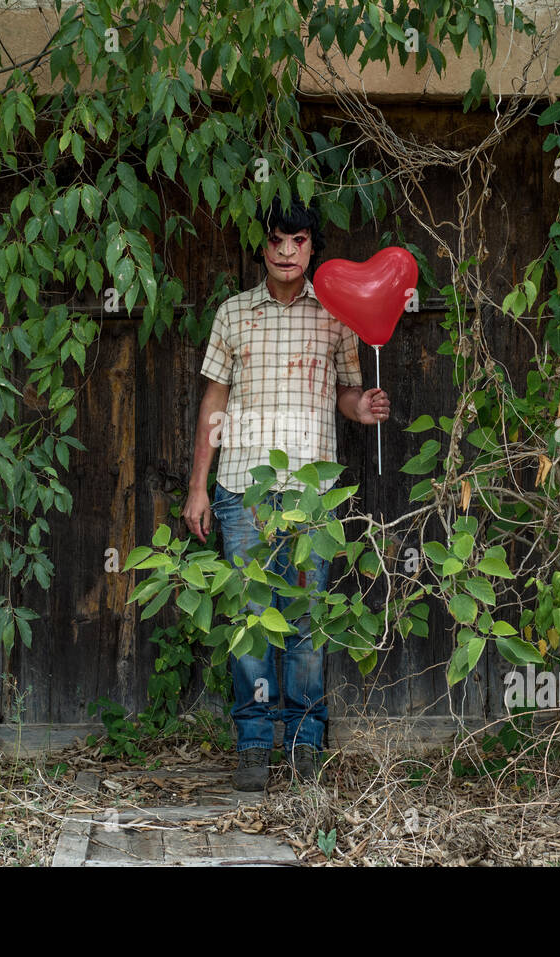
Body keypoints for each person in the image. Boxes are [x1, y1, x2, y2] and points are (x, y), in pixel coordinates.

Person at [184, 199, 390, 790]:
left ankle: (304, 743)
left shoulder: (335, 314)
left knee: (305, 621)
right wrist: (198, 487)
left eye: (298, 240)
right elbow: (214, 401)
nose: (286, 251)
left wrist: (362, 407)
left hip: (311, 495)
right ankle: (253, 743)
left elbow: (347, 391)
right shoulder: (233, 313)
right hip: (241, 488)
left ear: (312, 247)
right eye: (276, 239)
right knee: (251, 622)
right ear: (263, 246)